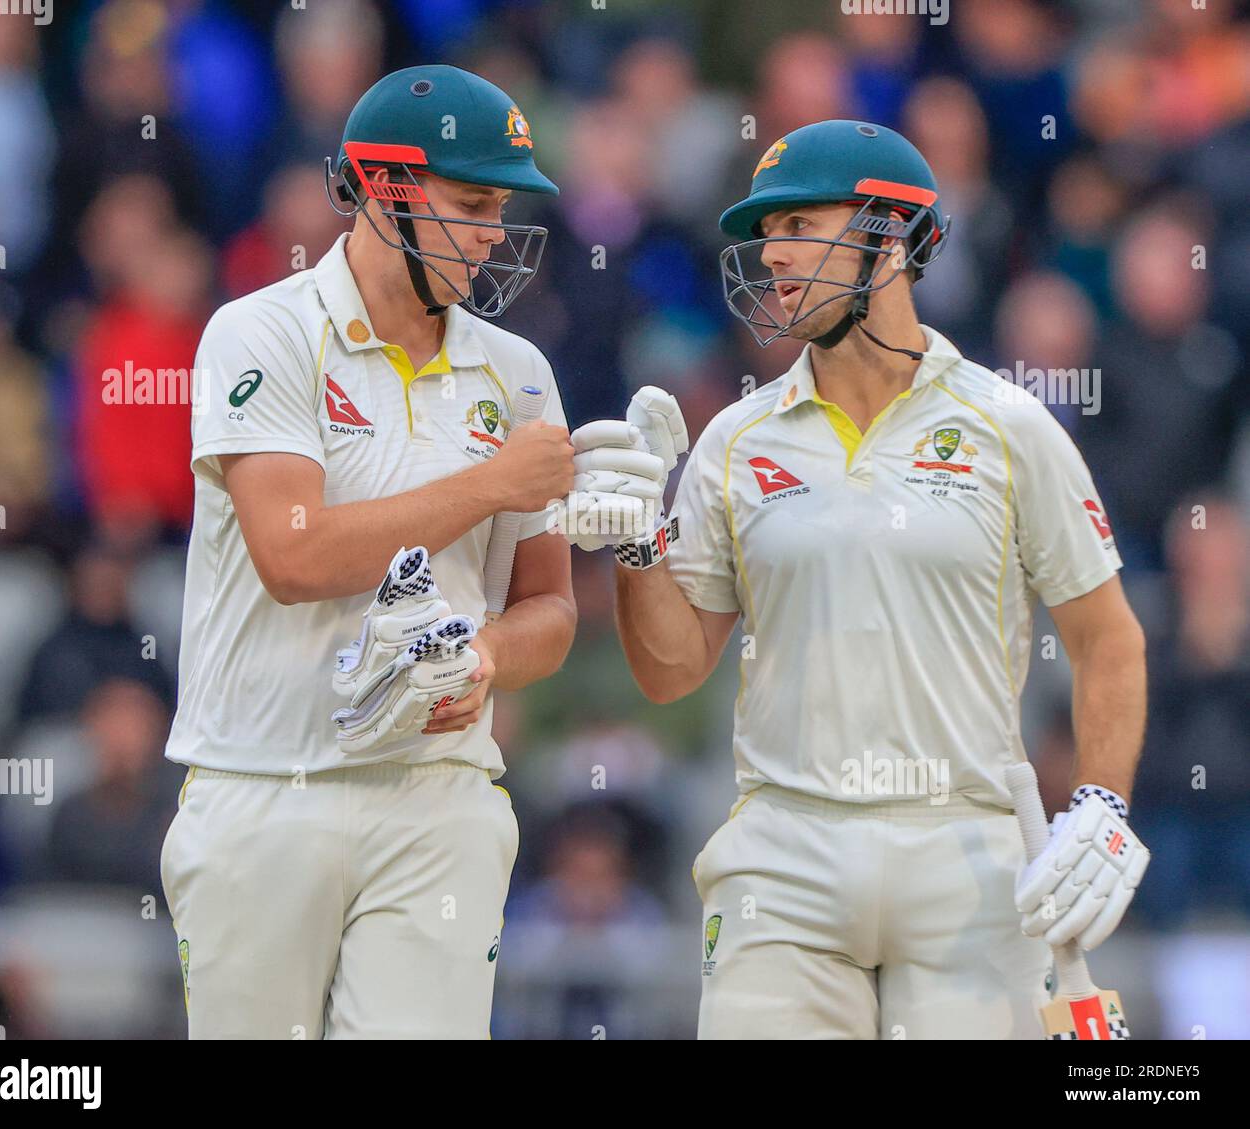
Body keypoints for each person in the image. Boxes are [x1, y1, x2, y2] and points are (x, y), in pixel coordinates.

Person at [570, 120, 1151, 1038]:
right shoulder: (735, 438)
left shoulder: (1010, 425)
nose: (773, 255)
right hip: (783, 850)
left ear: (889, 237)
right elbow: (672, 670)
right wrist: (638, 545)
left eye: (800, 225)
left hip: (966, 848)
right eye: (767, 233)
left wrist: (1103, 801)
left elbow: (1106, 636)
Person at [159, 65, 577, 1039]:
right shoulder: (259, 332)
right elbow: (293, 559)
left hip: (440, 794)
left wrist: (486, 657)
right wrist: (490, 483)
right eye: (471, 204)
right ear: (385, 190)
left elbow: (550, 609)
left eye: (500, 207)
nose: (494, 233)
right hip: (265, 784)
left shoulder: (518, 374)